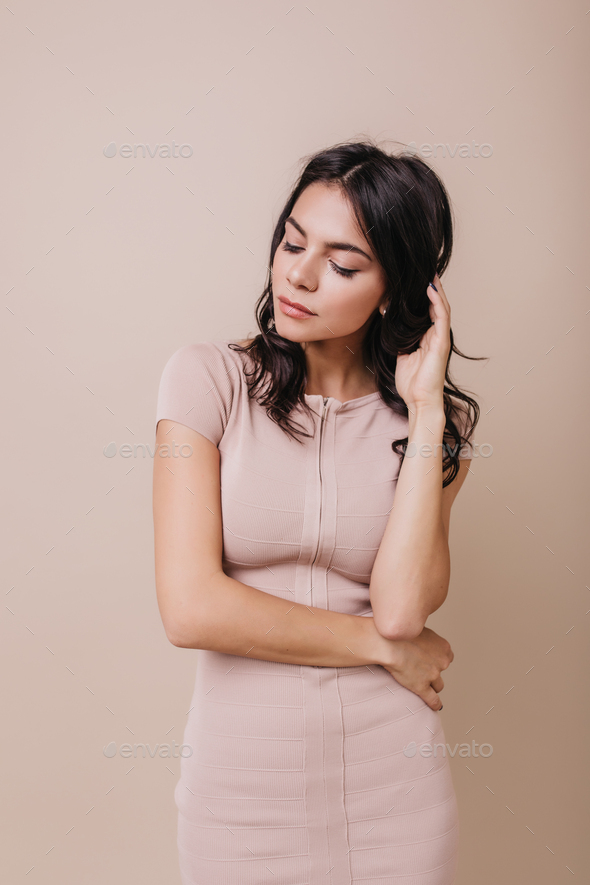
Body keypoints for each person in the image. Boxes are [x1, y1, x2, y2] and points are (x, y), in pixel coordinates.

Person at [152, 140, 481, 885]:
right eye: (293, 242)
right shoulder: (208, 381)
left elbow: (402, 610)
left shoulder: (438, 426)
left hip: (396, 791)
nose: (298, 275)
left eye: (343, 265)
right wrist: (383, 650)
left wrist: (427, 413)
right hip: (241, 795)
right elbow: (190, 608)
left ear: (395, 289)